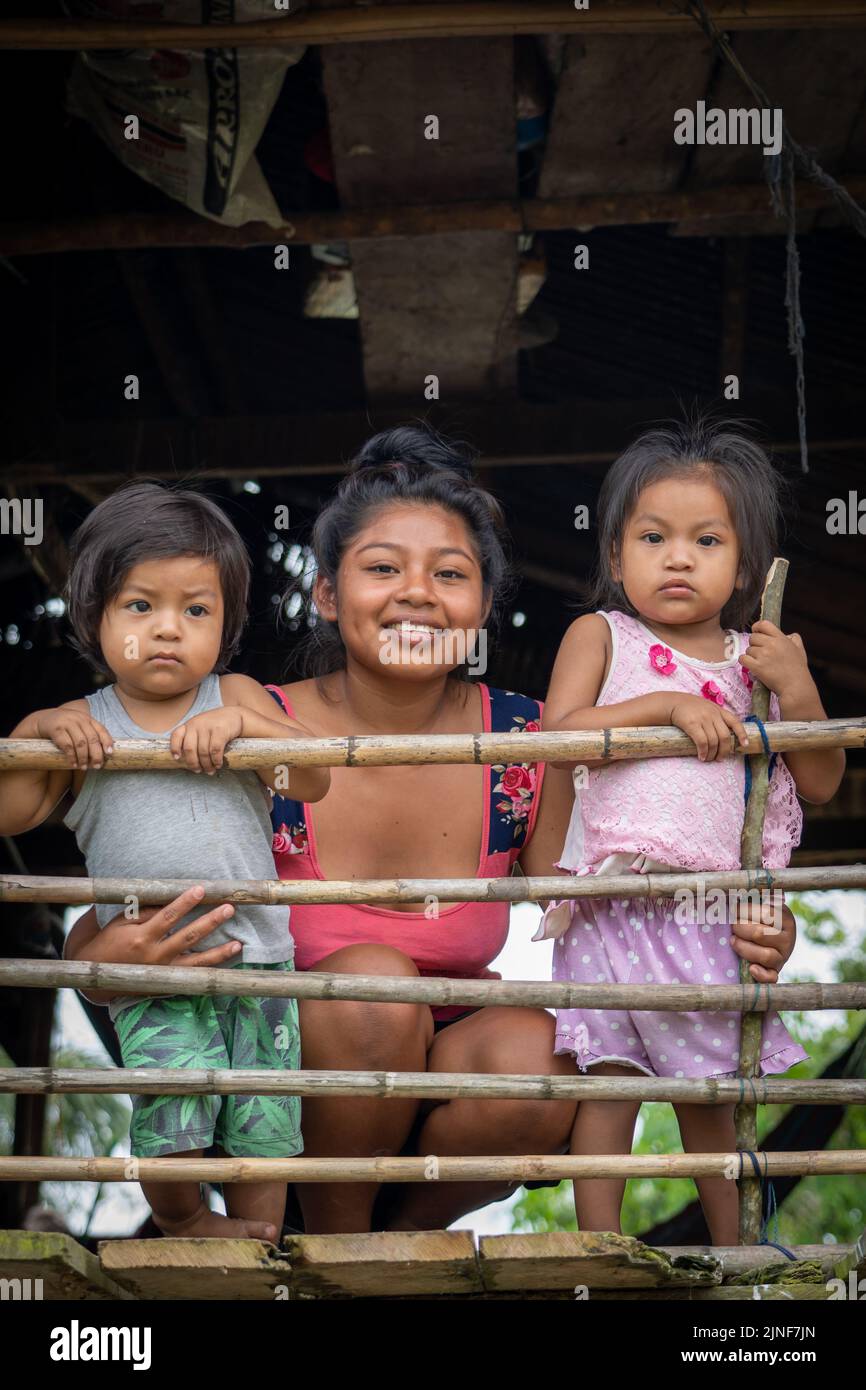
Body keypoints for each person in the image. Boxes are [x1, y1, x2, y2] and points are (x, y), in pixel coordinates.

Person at [65, 426, 800, 1237]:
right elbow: (120, 901)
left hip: (446, 1090)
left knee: (553, 1047)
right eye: (382, 568)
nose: (416, 592)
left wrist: (754, 923)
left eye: (450, 575)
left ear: (484, 605)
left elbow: (613, 893)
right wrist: (101, 961)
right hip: (275, 1083)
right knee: (374, 992)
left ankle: (394, 1242)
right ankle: (339, 1244)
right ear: (327, 594)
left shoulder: (529, 745)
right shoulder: (247, 725)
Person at [539, 415, 845, 1244]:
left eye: (706, 540)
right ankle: (598, 1249)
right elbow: (562, 733)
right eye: (653, 537)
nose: (679, 557)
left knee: (710, 1098)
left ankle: (736, 1254)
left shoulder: (759, 661)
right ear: (615, 557)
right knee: (608, 1085)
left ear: (744, 564)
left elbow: (817, 777)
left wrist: (801, 688)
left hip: (710, 912)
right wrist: (667, 707)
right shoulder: (601, 635)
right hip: (609, 904)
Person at [0, 483, 329, 1242]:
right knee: (172, 1106)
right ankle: (183, 1222)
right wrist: (38, 727)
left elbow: (310, 777)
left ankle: (262, 1248)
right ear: (95, 618)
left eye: (195, 610)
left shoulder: (236, 695)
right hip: (155, 970)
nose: (167, 630)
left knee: (264, 1123)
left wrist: (245, 724)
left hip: (261, 961)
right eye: (139, 606)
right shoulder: (81, 727)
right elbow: (11, 809)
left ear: (226, 624)